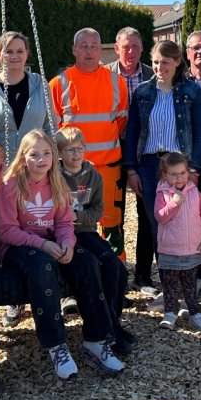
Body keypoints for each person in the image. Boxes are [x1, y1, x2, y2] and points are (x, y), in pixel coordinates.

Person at [0, 130, 126, 380]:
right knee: (43, 267)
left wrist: (67, 242)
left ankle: (97, 340)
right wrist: (42, 245)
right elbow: (7, 231)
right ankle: (56, 344)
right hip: (18, 246)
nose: (41, 159)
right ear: (23, 158)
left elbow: (65, 222)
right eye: (34, 154)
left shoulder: (56, 182)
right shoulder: (11, 185)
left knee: (88, 261)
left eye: (46, 153)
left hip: (51, 239)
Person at [123, 39, 201, 300]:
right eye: (156, 62)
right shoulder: (143, 93)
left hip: (180, 167)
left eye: (166, 62)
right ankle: (170, 287)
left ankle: (190, 279)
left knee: (186, 224)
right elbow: (133, 132)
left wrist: (194, 169)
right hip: (149, 166)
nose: (160, 67)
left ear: (177, 62)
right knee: (159, 224)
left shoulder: (191, 92)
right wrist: (131, 170)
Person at [50, 29, 129, 260]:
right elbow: (53, 129)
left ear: (101, 50)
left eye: (94, 46)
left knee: (111, 222)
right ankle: (76, 273)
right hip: (70, 173)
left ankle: (116, 273)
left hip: (108, 167)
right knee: (71, 222)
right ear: (74, 50)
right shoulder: (58, 83)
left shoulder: (117, 82)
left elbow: (121, 121)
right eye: (83, 46)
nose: (89, 51)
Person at [56, 126, 136, 353]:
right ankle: (104, 328)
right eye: (69, 150)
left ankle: (113, 322)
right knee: (92, 266)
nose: (75, 154)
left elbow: (98, 210)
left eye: (80, 148)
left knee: (116, 267)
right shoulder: (54, 176)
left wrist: (77, 215)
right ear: (59, 153)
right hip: (64, 234)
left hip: (85, 230)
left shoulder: (93, 175)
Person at [103, 27, 152, 280]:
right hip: (112, 148)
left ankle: (143, 274)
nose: (130, 51)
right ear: (116, 48)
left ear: (142, 47)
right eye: (126, 47)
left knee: (146, 213)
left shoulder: (152, 74)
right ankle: (115, 272)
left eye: (135, 46)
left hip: (145, 149)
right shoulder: (104, 76)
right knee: (113, 213)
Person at [152, 152, 201, 332]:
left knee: (190, 285)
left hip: (192, 249)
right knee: (169, 285)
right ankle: (170, 313)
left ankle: (195, 313)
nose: (179, 178)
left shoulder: (195, 193)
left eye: (182, 173)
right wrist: (174, 204)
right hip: (170, 249)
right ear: (165, 175)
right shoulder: (162, 194)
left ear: (188, 172)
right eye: (173, 174)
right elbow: (160, 218)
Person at [0, 31, 54, 159]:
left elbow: (49, 125)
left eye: (20, 51)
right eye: (9, 52)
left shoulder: (40, 84)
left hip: (35, 163)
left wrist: (52, 157)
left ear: (26, 53)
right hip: (0, 165)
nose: (15, 56)